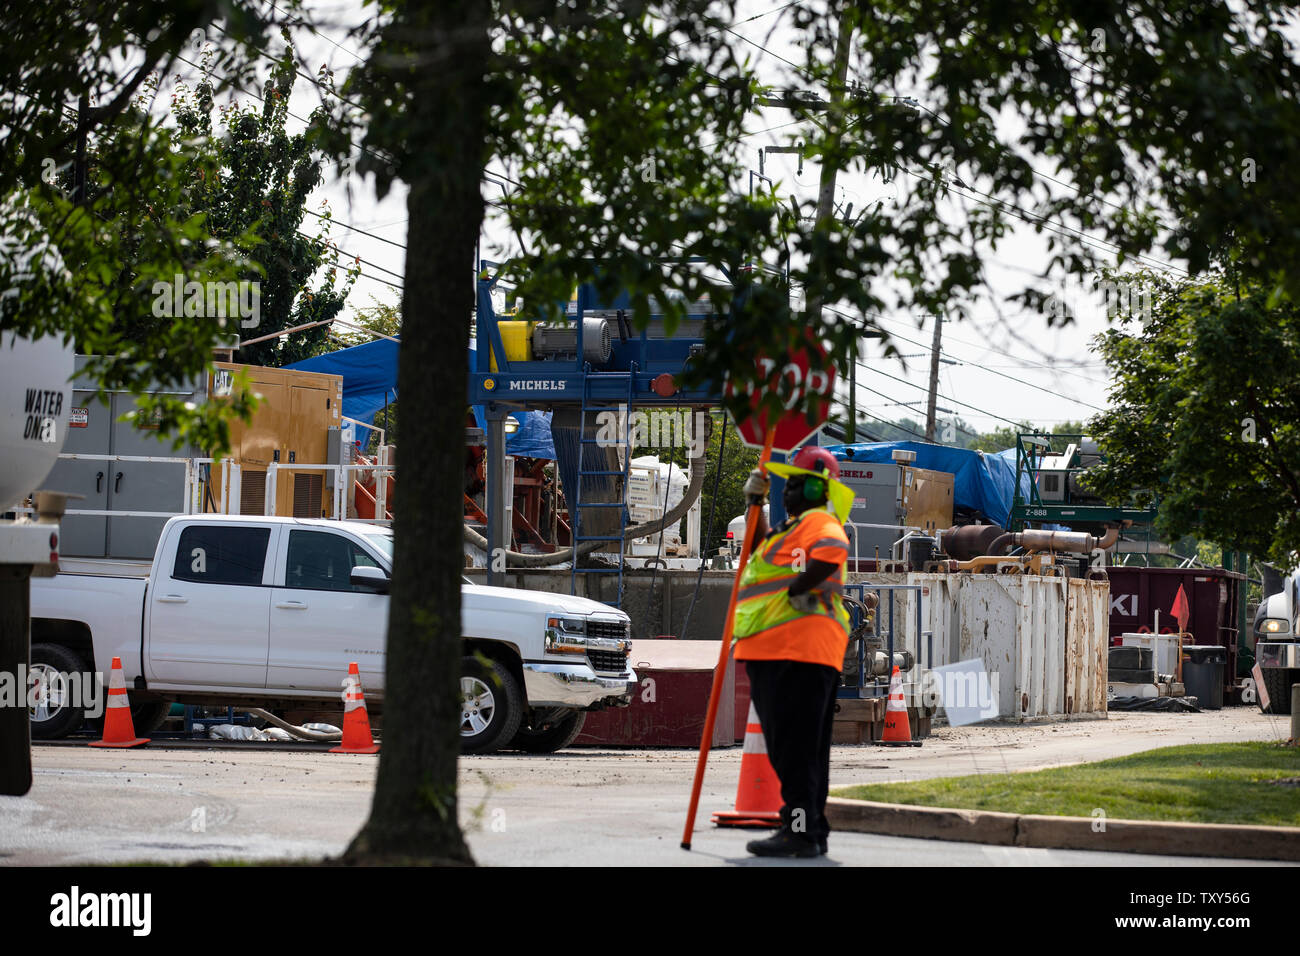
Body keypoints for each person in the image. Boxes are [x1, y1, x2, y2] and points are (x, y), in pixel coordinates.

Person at [732, 444, 854, 858]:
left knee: (794, 752)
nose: (787, 491)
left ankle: (798, 830)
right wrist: (755, 503)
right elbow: (758, 547)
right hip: (786, 651)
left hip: (795, 651)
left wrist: (798, 588)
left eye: (796, 484)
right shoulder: (792, 528)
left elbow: (832, 550)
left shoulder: (820, 520)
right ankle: (810, 829)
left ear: (819, 489)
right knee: (804, 751)